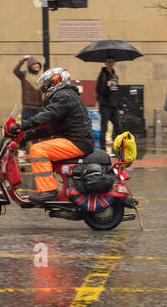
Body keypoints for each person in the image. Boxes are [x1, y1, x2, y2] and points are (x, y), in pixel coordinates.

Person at [12, 66, 94, 203]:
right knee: (41, 148)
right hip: (78, 140)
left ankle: (48, 191)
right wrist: (25, 137)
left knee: (38, 150)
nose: (44, 89)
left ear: (55, 83)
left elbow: (46, 116)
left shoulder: (64, 96)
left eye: (46, 85)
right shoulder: (67, 96)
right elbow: (50, 129)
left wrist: (22, 126)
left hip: (77, 142)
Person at [95, 57, 123, 151]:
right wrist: (107, 86)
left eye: (111, 61)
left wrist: (120, 106)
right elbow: (99, 90)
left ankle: (119, 147)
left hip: (114, 106)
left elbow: (117, 92)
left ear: (114, 63)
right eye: (108, 62)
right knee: (104, 128)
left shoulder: (115, 76)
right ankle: (102, 149)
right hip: (105, 106)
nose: (110, 63)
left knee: (118, 127)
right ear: (105, 63)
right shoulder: (102, 75)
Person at [13, 55, 44, 123]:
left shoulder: (42, 76)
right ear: (30, 66)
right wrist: (23, 60)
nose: (37, 65)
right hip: (28, 108)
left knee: (40, 129)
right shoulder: (24, 74)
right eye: (34, 64)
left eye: (38, 64)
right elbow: (15, 70)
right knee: (26, 129)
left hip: (40, 108)